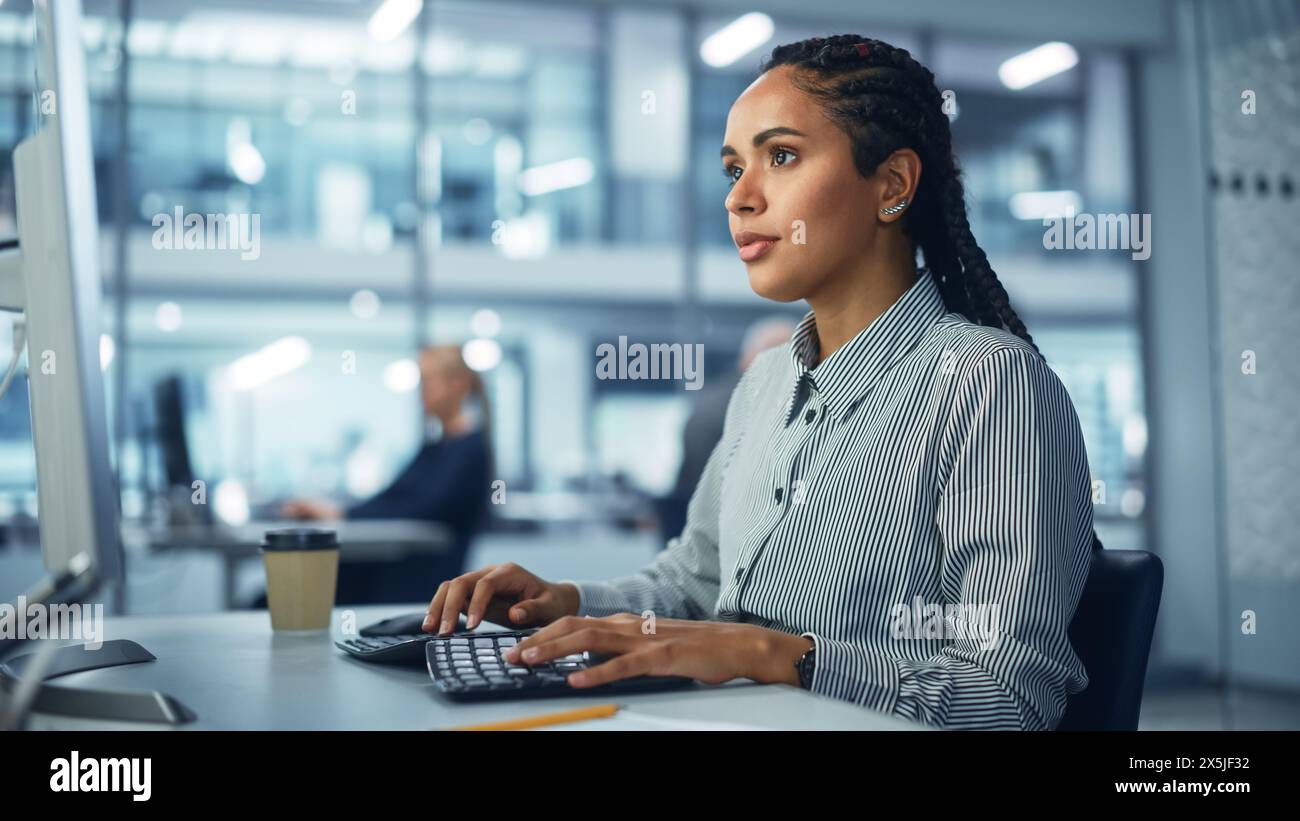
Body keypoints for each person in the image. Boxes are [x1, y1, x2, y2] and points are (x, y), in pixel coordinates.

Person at [421, 35, 1097, 730]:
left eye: (781, 157)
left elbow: (1009, 698)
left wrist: (781, 654)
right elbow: (692, 584)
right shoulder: (765, 385)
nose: (740, 198)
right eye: (732, 168)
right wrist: (567, 602)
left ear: (891, 185)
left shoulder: (990, 386)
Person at [281, 345, 493, 604]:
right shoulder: (435, 447)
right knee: (284, 593)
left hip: (418, 579)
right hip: (395, 568)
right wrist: (338, 512)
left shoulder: (470, 451)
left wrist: (343, 515)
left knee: (299, 595)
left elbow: (424, 509)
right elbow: (394, 495)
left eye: (428, 381)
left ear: (458, 384)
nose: (421, 392)